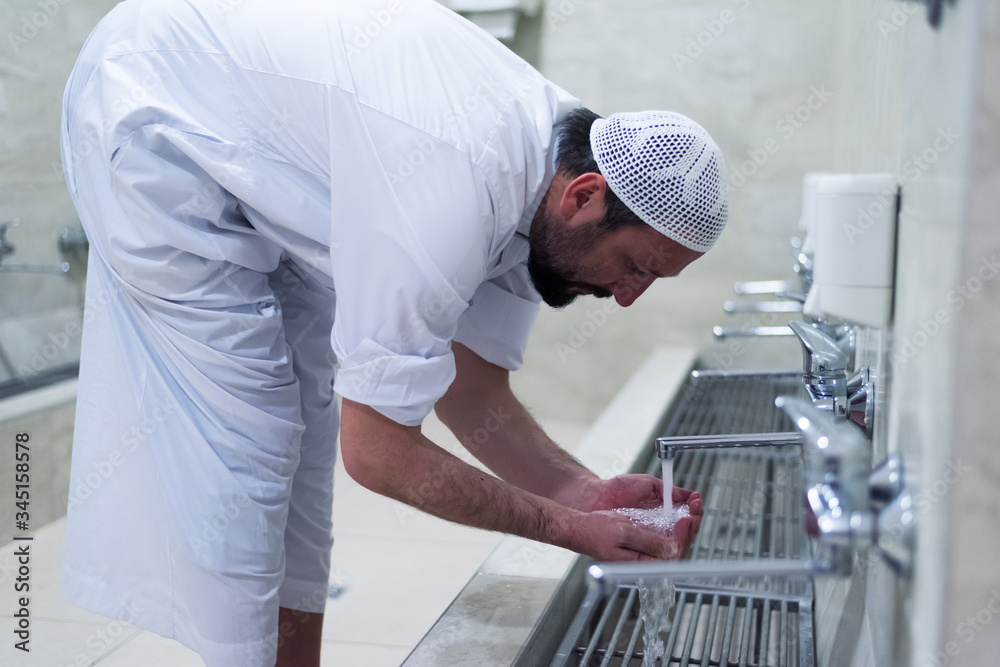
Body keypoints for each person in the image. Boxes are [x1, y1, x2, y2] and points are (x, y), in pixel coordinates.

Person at [59, 0, 727, 665]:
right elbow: (377, 453)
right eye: (637, 267)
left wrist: (586, 495)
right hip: (151, 106)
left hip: (248, 142)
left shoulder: (553, 178)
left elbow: (473, 390)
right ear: (584, 197)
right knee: (253, 437)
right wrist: (568, 528)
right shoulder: (456, 184)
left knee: (305, 429)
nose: (628, 297)